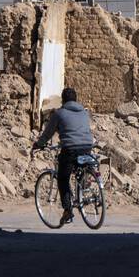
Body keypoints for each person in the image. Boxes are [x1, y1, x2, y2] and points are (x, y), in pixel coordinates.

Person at [32, 86, 96, 225]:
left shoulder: (59, 113)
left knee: (62, 178)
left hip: (70, 149)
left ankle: (67, 210)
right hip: (87, 147)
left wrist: (39, 144)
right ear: (76, 100)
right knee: (80, 168)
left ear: (63, 101)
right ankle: (85, 186)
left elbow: (48, 133)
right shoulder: (84, 113)